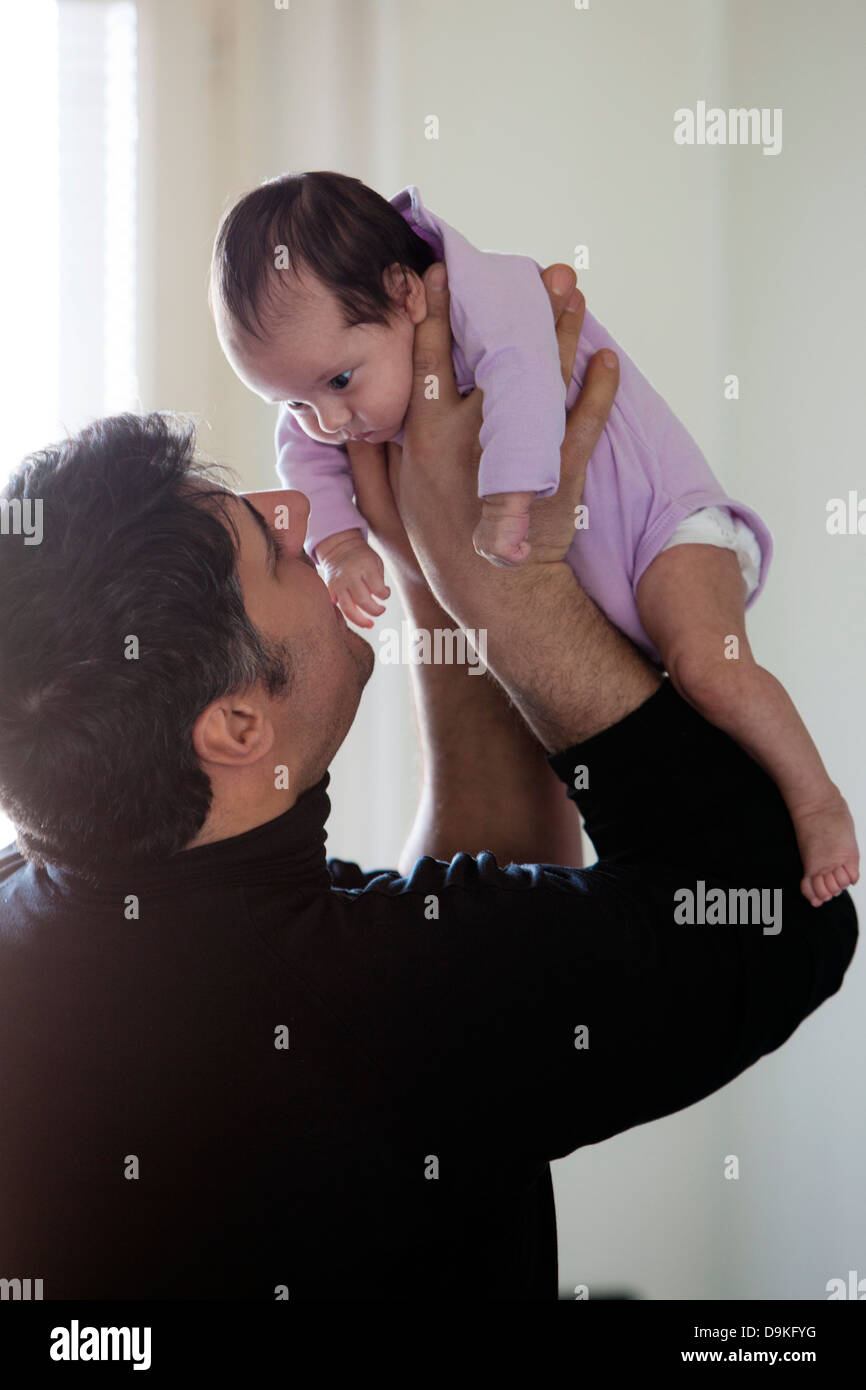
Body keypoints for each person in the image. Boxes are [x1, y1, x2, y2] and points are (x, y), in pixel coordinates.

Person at [0, 267, 856, 1300]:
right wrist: (516, 590)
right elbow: (771, 912)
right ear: (235, 725)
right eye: (267, 548)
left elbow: (465, 927)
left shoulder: (47, 899)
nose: (287, 506)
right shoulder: (359, 1002)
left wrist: (432, 566)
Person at [209, 171, 859, 908]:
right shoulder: (337, 388)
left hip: (666, 530)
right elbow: (304, 458)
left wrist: (507, 498)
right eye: (294, 401)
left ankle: (817, 802)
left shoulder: (495, 290)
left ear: (404, 292)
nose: (328, 420)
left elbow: (523, 376)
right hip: (575, 579)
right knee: (679, 723)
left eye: (339, 382)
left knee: (709, 673)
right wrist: (343, 549)